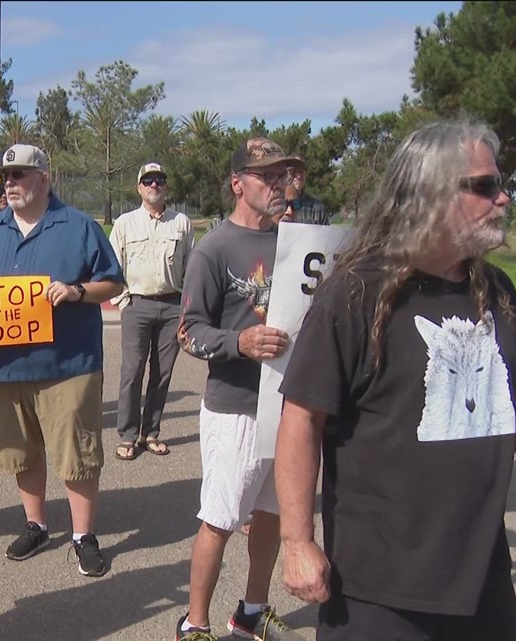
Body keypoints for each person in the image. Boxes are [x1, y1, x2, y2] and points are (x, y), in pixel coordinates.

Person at [275, 120, 516, 641]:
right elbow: (301, 417)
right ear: (430, 194)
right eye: (485, 186)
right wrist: (297, 542)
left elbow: (508, 389)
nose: (505, 198)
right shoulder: (355, 295)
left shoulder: (496, 291)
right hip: (379, 589)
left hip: (482, 580)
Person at [0, 143, 124, 577]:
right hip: (5, 366)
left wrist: (75, 292)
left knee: (77, 454)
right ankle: (35, 524)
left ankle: (83, 536)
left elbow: (112, 282)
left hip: (67, 365)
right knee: (23, 451)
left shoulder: (78, 226)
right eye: (5, 177)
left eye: (19, 175)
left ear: (43, 178)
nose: (10, 184)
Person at [173, 138, 306, 641]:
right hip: (236, 409)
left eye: (282, 176)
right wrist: (239, 342)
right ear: (238, 183)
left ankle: (251, 610)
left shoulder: (296, 244)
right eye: (265, 176)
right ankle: (195, 623)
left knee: (273, 514)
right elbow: (189, 331)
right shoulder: (214, 249)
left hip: (289, 406)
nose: (277, 185)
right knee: (221, 517)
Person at [108, 162, 194, 461]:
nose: (153, 185)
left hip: (172, 306)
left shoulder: (181, 223)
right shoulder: (124, 223)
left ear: (166, 185)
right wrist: (123, 301)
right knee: (132, 371)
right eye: (147, 180)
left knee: (163, 373)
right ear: (139, 187)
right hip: (137, 305)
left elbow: (191, 267)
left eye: (159, 179)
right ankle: (128, 434)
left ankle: (151, 432)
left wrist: (187, 307)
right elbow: (112, 266)